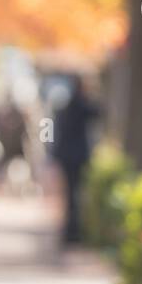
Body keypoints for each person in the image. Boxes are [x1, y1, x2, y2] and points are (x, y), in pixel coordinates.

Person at [51, 76, 101, 244]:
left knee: (71, 195)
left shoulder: (66, 105)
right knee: (74, 195)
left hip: (67, 156)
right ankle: (73, 232)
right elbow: (98, 112)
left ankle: (71, 231)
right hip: (76, 157)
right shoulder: (79, 104)